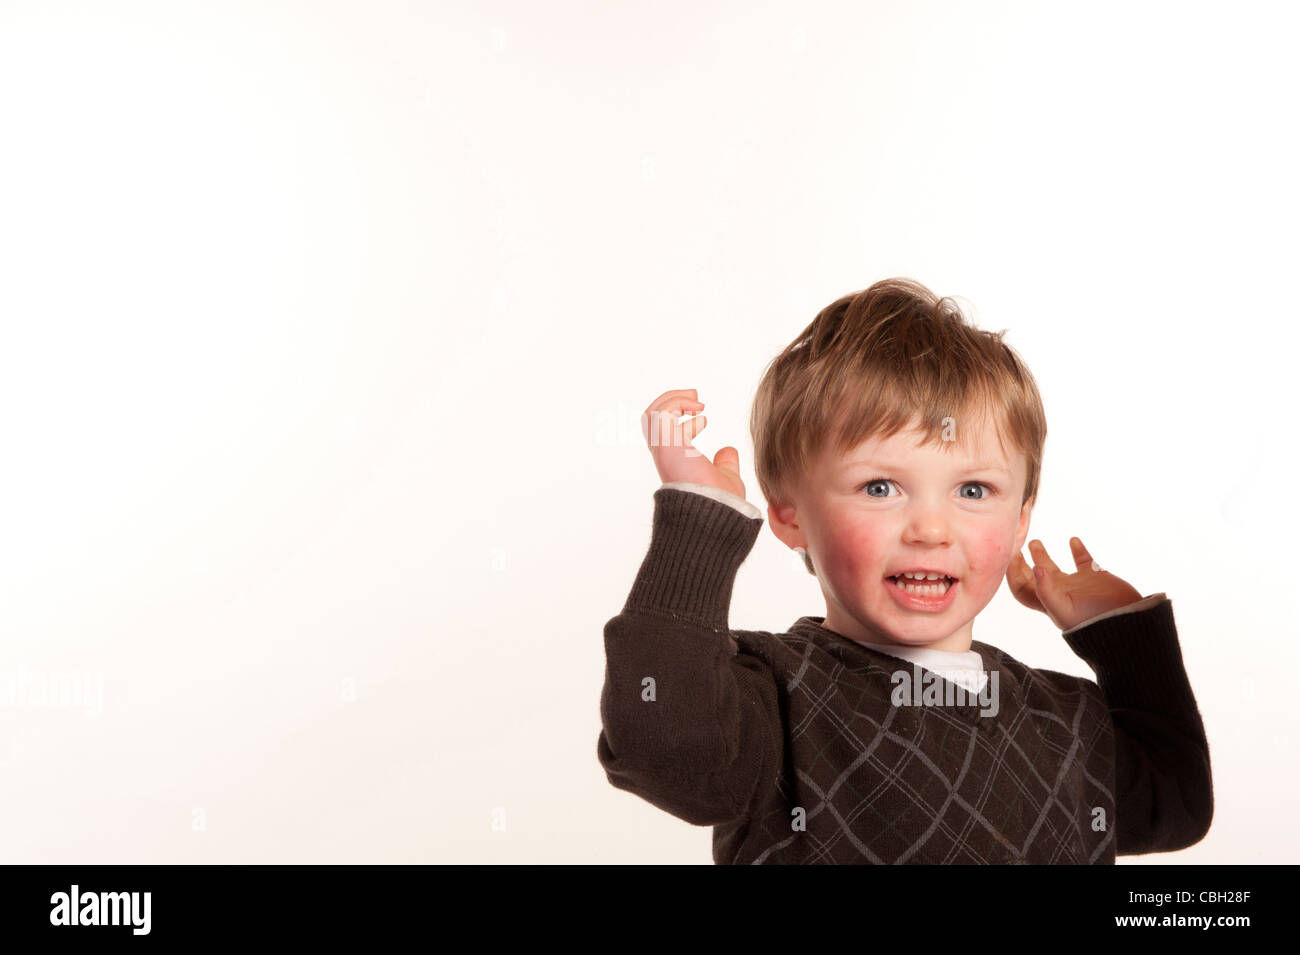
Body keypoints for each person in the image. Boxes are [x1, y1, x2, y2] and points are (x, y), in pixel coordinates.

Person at [595, 277, 1213, 864]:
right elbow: (665, 749)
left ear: (1023, 516)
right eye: (880, 486)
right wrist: (700, 523)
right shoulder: (773, 698)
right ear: (788, 514)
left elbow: (1178, 803)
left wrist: (1121, 633)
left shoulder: (1063, 716)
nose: (931, 529)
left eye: (973, 490)